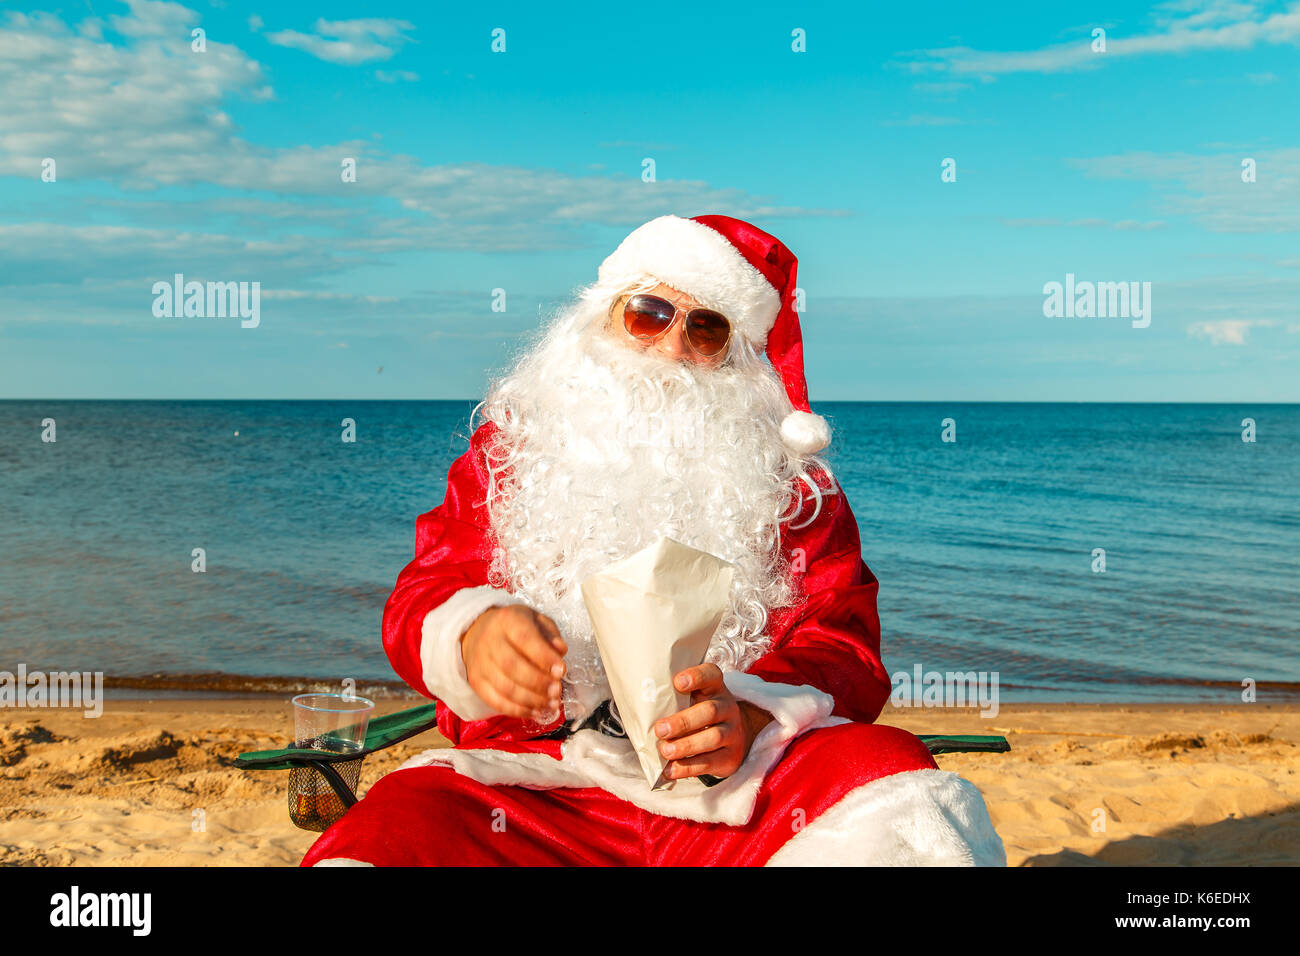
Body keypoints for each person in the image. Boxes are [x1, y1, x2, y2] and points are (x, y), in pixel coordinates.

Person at [300, 214, 1006, 866]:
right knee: (397, 825)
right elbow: (423, 593)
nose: (672, 346)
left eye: (706, 330)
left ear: (737, 357)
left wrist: (757, 713)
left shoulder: (793, 487)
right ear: (601, 319)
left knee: (892, 782)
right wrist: (472, 635)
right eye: (649, 313)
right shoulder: (510, 456)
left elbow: (845, 641)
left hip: (737, 794)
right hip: (538, 785)